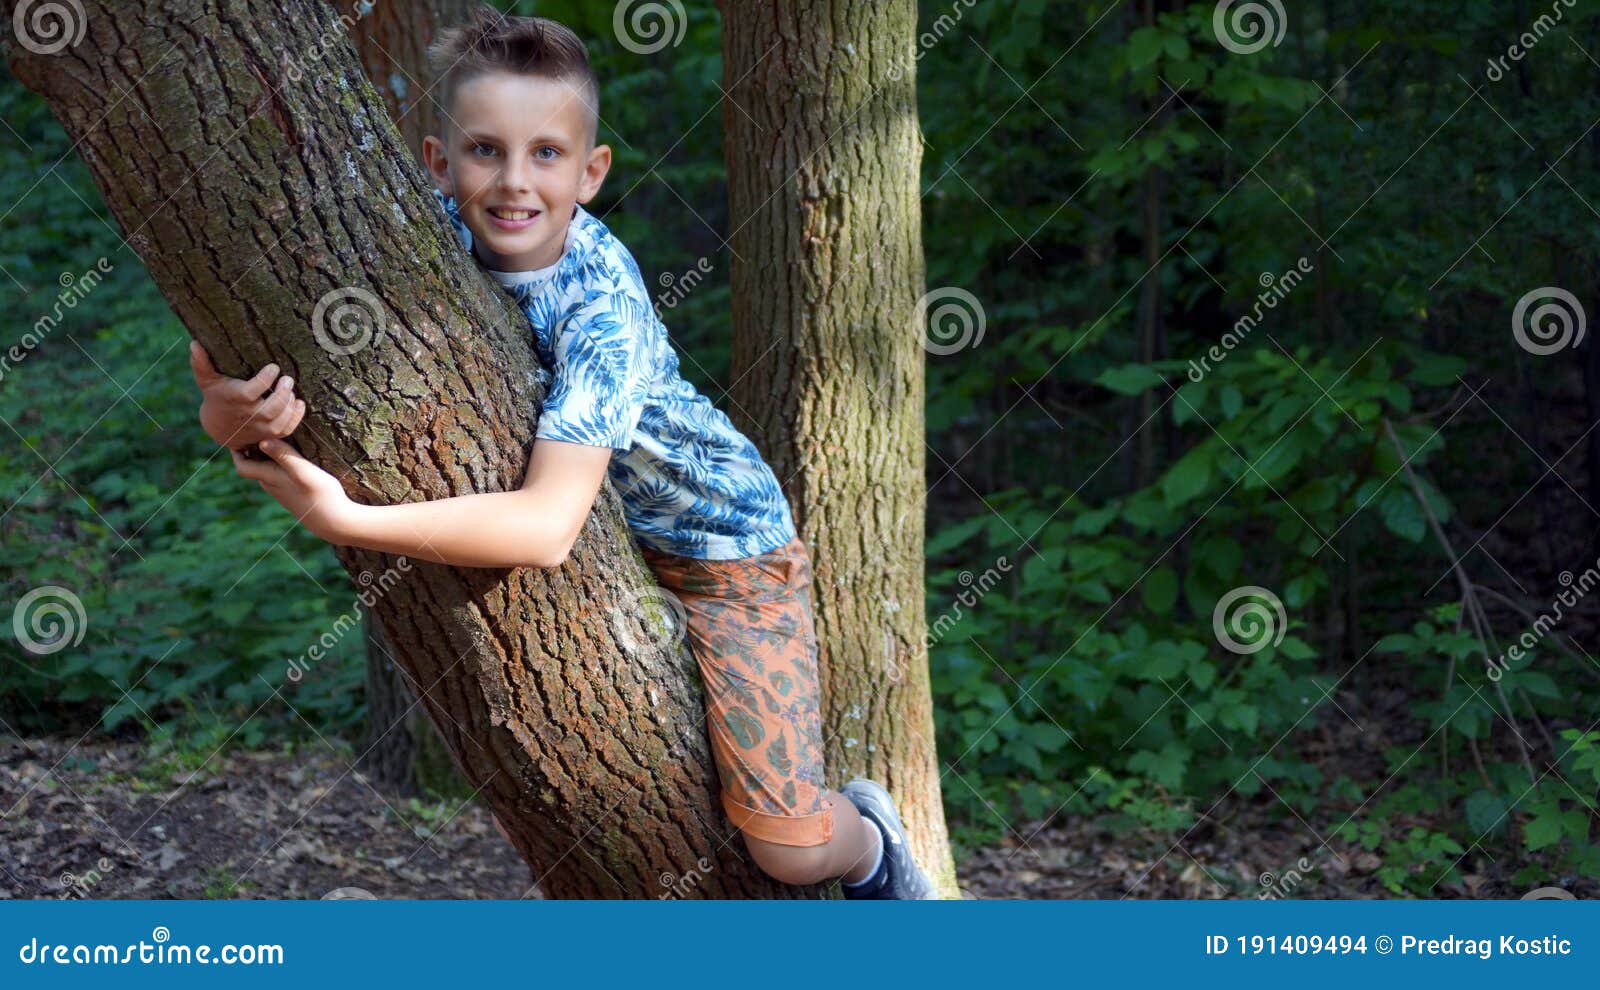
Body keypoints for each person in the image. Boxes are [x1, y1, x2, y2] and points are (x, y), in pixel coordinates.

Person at [191, 5, 934, 899]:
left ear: (591, 173)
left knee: (784, 844)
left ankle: (874, 845)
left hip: (726, 554)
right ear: (438, 161)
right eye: (483, 151)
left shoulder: (599, 310)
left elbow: (545, 531)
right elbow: (230, 375)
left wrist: (345, 518)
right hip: (609, 523)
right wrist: (230, 414)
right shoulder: (411, 240)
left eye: (546, 154)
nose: (513, 182)